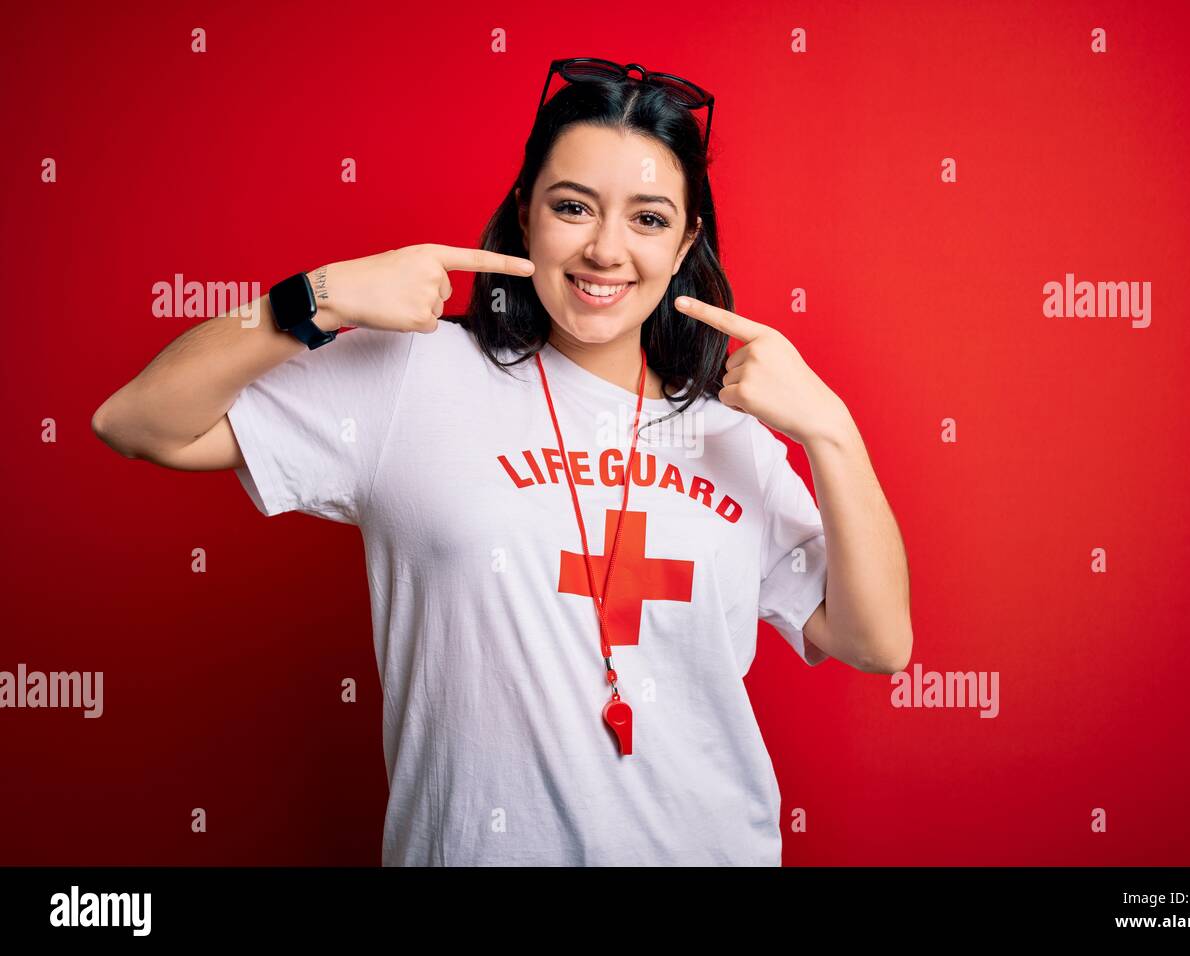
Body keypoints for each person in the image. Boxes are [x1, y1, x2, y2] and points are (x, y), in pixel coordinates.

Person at [91, 58, 912, 865]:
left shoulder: (732, 432)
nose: (605, 250)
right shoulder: (413, 372)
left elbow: (876, 642)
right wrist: (319, 296)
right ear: (526, 213)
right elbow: (137, 422)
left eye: (649, 218)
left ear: (687, 240)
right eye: (573, 207)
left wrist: (831, 431)